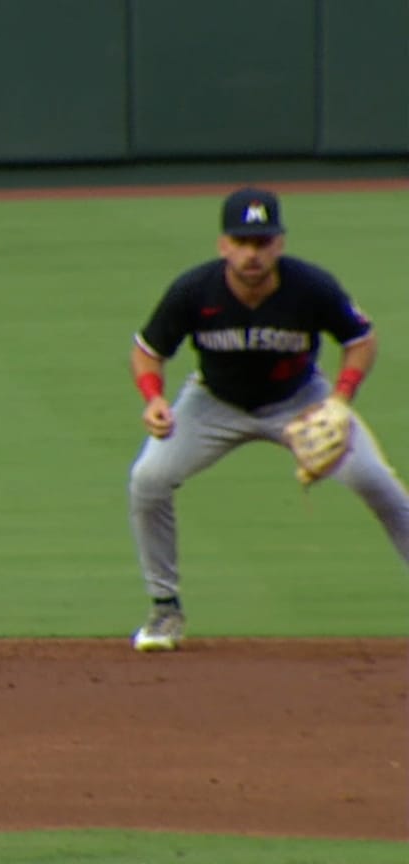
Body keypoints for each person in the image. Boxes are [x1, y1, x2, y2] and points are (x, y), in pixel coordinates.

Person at [126, 187, 409, 651]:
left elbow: (361, 338)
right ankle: (164, 609)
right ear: (223, 245)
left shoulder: (311, 287)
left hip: (302, 399)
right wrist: (153, 398)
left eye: (262, 242)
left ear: (279, 243)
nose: (252, 253)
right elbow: (147, 351)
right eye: (241, 241)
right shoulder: (195, 291)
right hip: (213, 403)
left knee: (376, 482)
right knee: (148, 479)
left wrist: (339, 399)